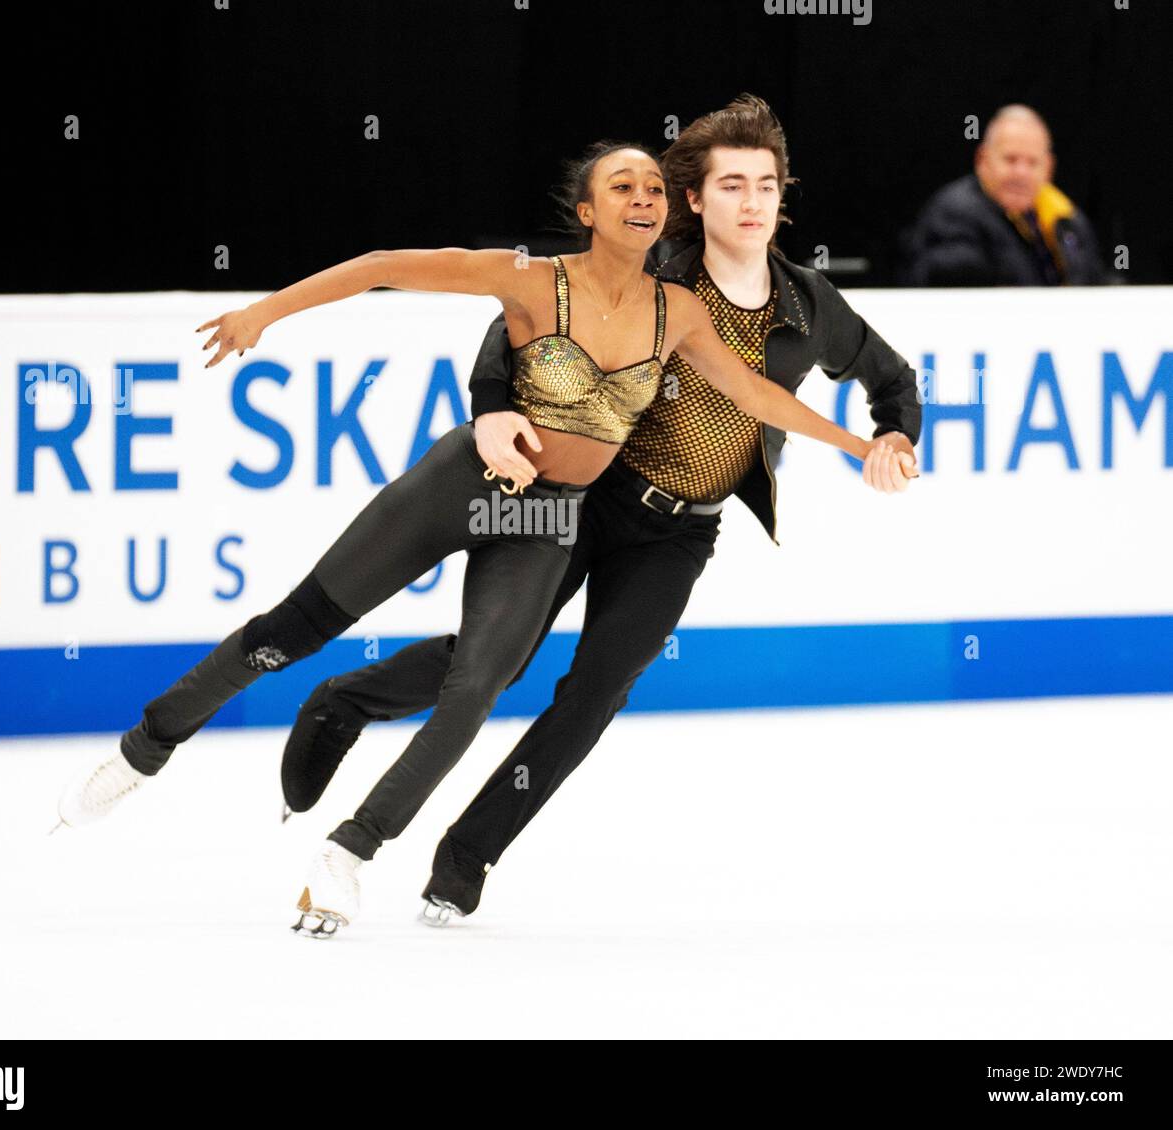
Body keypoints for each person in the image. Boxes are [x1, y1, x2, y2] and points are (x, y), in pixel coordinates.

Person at [53, 139, 883, 938]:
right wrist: (266, 311)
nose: (642, 198)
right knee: (295, 628)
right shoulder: (525, 278)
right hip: (460, 487)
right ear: (588, 209)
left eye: (654, 189)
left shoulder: (679, 312)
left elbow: (757, 396)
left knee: (478, 685)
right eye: (622, 187)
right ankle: (146, 747)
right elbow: (384, 267)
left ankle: (350, 850)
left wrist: (859, 445)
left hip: (548, 519)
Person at [277, 96, 923, 927]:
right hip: (582, 494)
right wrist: (493, 407)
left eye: (766, 184)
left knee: (595, 693)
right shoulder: (652, 268)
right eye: (732, 184)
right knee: (496, 662)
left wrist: (893, 437)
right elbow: (515, 330)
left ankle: (467, 854)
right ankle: (350, 700)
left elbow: (893, 378)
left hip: (682, 531)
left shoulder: (809, 305)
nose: (753, 201)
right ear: (696, 198)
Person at [901, 104, 1103, 287]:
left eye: (1032, 163)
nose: (1021, 173)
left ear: (1049, 168)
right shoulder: (954, 214)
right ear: (983, 160)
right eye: (1010, 159)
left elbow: (1093, 282)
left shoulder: (1066, 219)